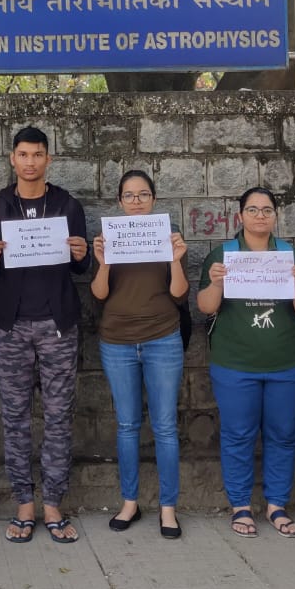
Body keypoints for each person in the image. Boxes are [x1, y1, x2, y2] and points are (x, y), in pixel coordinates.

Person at [0, 126, 90, 544]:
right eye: (23, 154)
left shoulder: (66, 204)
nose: (30, 162)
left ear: (48, 159)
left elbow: (80, 268)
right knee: (15, 417)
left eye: (37, 154)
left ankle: (53, 503)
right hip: (11, 324)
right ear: (12, 159)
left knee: (60, 415)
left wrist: (81, 254)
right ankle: (24, 503)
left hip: (57, 324)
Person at [197, 186, 295, 539]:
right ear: (240, 216)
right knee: (238, 435)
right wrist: (217, 283)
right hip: (235, 363)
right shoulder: (224, 254)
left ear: (275, 216)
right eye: (252, 209)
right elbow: (205, 306)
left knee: (282, 436)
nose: (260, 215)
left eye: (267, 210)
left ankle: (277, 504)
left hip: (286, 362)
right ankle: (240, 506)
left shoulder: (289, 254)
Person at [90, 170, 189, 538]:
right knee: (127, 425)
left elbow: (180, 295)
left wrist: (176, 258)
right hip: (117, 341)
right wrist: (104, 261)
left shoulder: (167, 236)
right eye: (129, 196)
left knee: (164, 426)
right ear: (119, 201)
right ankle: (129, 501)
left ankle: (168, 508)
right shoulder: (109, 239)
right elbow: (98, 295)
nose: (136, 201)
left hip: (163, 338)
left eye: (143, 194)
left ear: (153, 199)